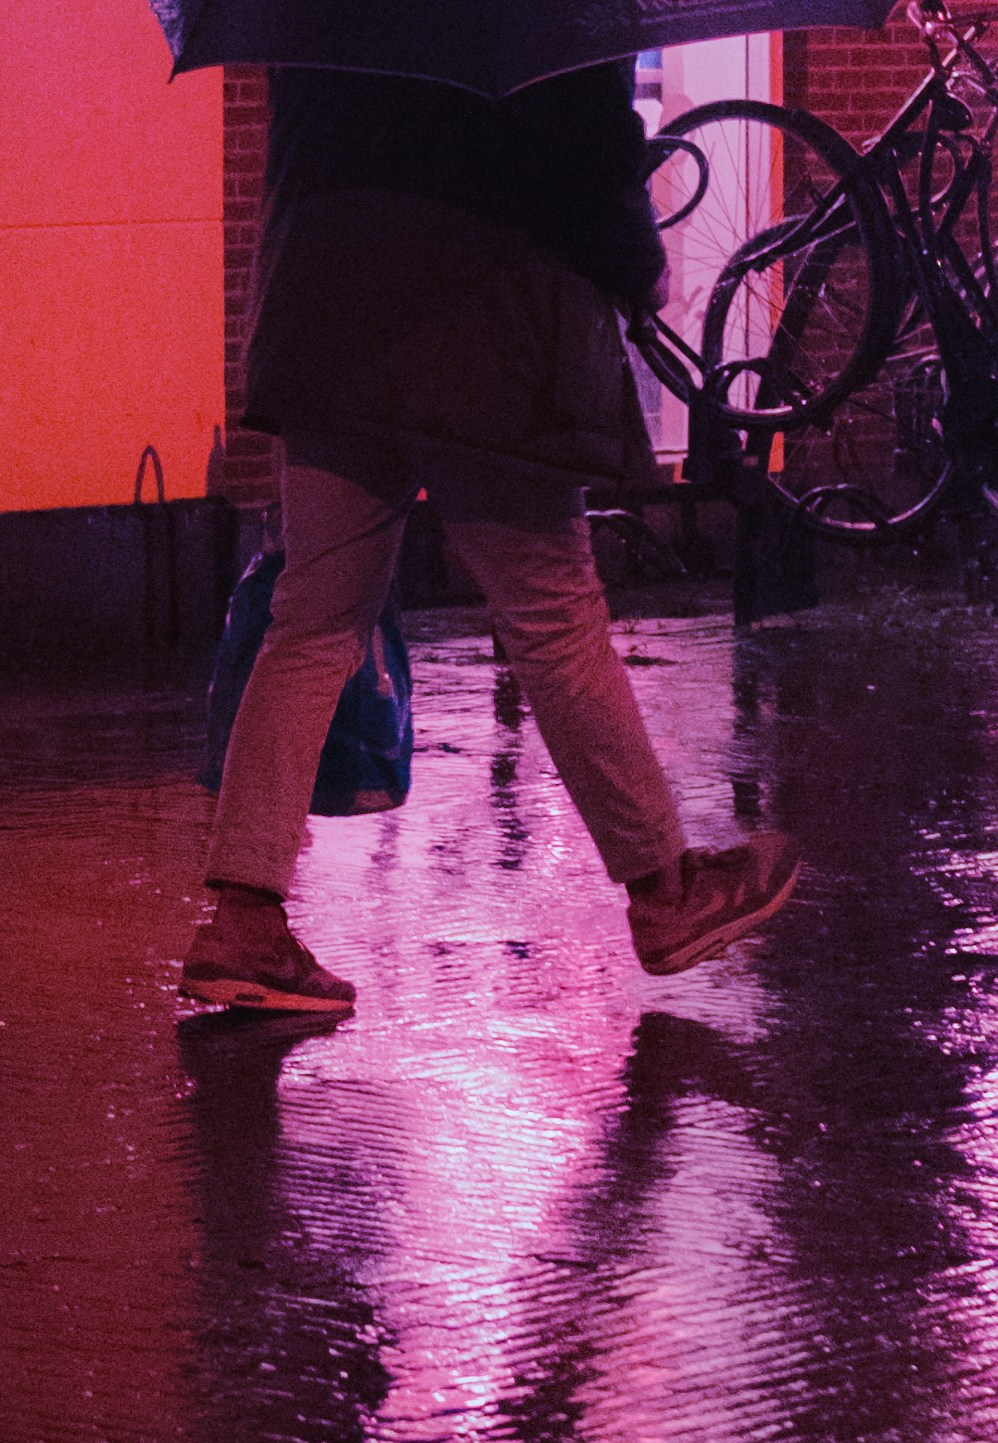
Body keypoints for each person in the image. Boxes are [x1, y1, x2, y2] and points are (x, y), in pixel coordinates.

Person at [180, 59, 803, 1020]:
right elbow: (581, 151)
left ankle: (243, 919)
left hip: (329, 318)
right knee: (553, 614)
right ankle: (666, 891)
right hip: (487, 332)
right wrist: (639, 266)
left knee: (312, 620)